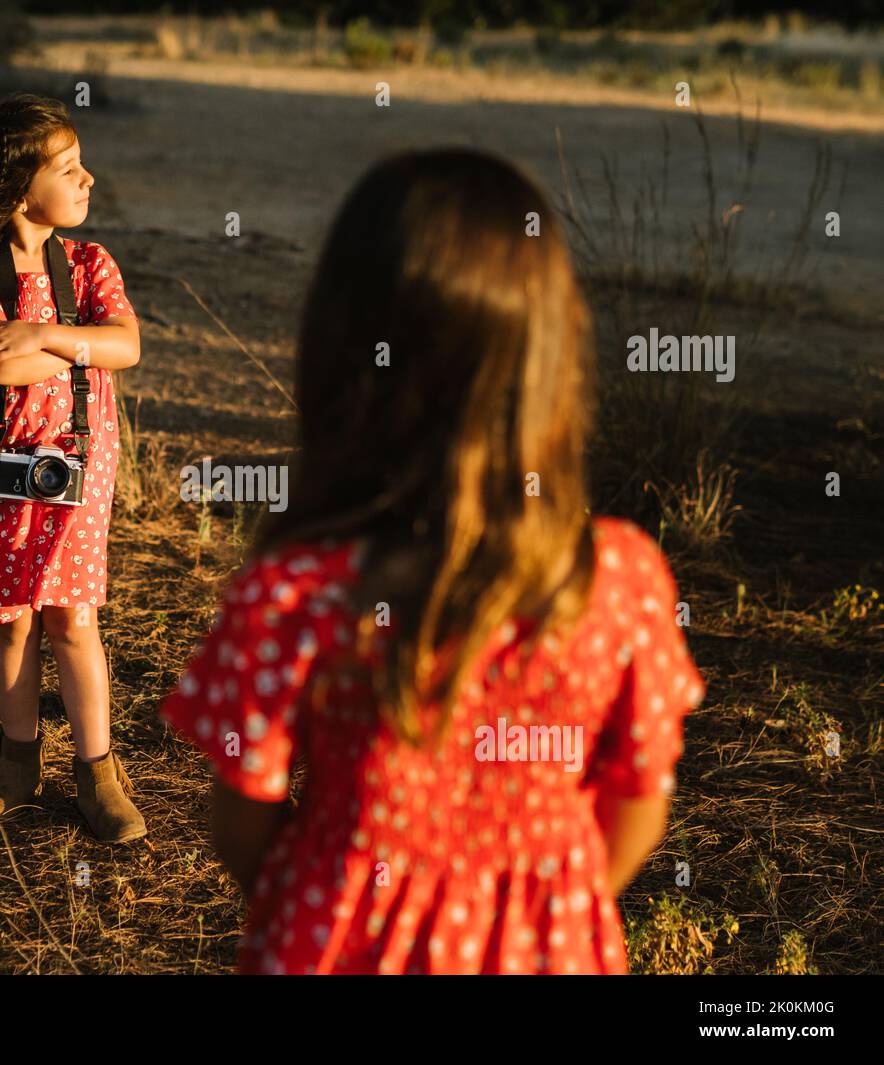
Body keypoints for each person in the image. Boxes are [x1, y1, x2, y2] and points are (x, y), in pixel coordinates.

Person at [158, 147, 705, 972]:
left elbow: (243, 824)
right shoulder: (621, 580)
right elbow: (637, 804)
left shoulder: (295, 593)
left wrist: (327, 898)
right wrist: (539, 903)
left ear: (340, 349)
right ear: (552, 357)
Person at [0, 94, 145, 843]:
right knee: (14, 625)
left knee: (75, 621)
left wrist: (45, 330)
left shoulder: (90, 263)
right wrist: (81, 341)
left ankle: (99, 775)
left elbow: (129, 346)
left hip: (80, 464)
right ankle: (18, 764)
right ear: (21, 189)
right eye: (70, 169)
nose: (89, 180)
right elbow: (4, 364)